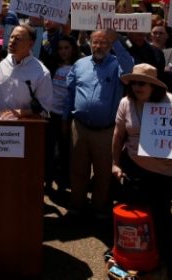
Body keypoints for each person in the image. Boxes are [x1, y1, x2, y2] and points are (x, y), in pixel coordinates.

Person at [111, 64, 172, 274]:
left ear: (153, 85)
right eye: (133, 82)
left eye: (141, 83)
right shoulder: (126, 102)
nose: (136, 87)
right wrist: (115, 163)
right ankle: (135, 256)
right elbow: (118, 137)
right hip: (134, 166)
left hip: (164, 171)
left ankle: (167, 258)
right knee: (136, 215)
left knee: (161, 216)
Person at [63, 28, 134, 216]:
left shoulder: (118, 65)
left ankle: (98, 209)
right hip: (79, 126)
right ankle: (77, 206)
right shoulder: (79, 64)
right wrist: (64, 119)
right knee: (78, 170)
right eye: (95, 42)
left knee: (103, 173)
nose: (98, 46)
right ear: (89, 42)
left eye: (103, 42)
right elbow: (69, 93)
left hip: (105, 130)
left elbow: (130, 70)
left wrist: (117, 41)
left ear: (110, 45)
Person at [0, 23, 55, 120]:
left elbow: (44, 109)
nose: (12, 41)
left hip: (22, 126)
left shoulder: (42, 72)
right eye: (11, 37)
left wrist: (20, 113)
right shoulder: (0, 61)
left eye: (18, 38)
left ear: (31, 44)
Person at [45, 35, 81, 198]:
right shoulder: (53, 66)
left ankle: (65, 181)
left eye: (66, 48)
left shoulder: (78, 67)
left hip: (67, 116)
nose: (63, 51)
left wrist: (66, 118)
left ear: (73, 49)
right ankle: (48, 179)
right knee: (49, 149)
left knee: (66, 150)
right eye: (60, 48)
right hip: (50, 114)